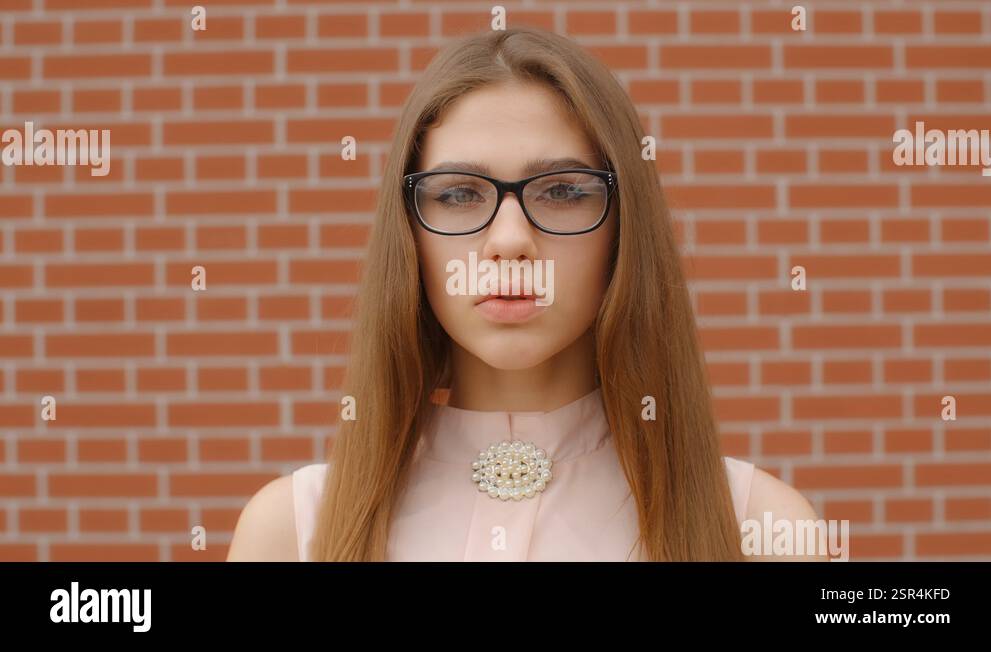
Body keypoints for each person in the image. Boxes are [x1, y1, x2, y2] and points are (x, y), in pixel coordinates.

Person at [227, 26, 825, 562]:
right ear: (406, 233)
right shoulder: (292, 533)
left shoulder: (761, 531)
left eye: (562, 192)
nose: (509, 241)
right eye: (458, 194)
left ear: (624, 230)